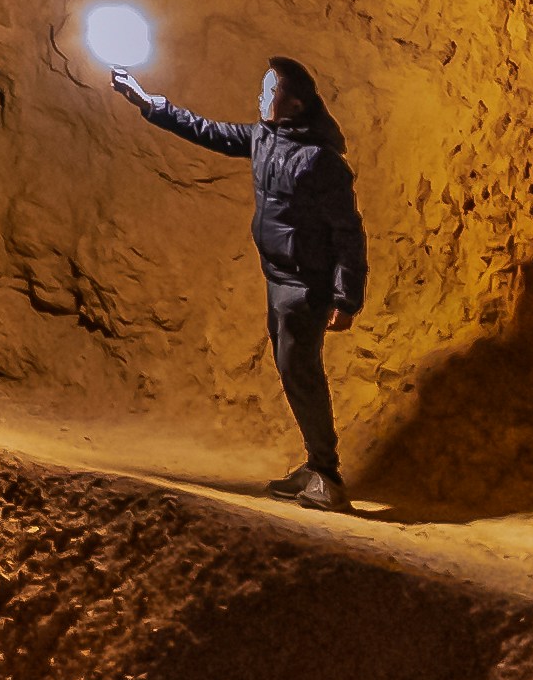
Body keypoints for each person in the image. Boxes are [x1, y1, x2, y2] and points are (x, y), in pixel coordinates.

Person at [111, 52, 369, 509]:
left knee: (299, 371)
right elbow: (209, 131)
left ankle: (327, 477)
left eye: (270, 90)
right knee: (293, 370)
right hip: (277, 277)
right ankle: (316, 466)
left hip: (305, 286)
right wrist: (149, 102)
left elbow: (348, 232)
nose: (260, 94)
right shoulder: (264, 138)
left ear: (293, 104)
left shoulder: (321, 162)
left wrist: (345, 298)